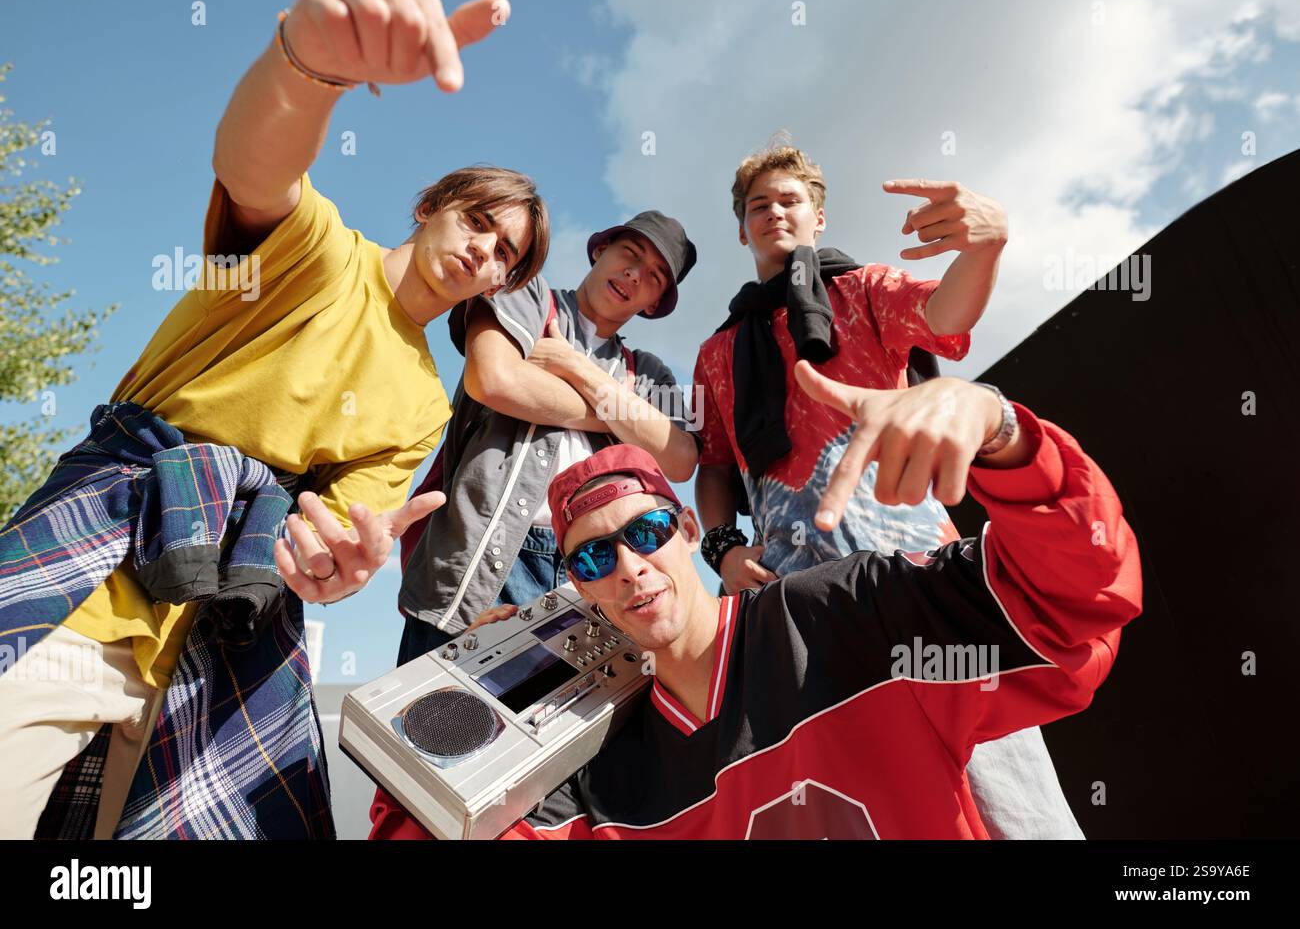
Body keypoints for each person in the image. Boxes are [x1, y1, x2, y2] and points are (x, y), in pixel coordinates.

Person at [0, 0, 547, 840]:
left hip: (219, 646)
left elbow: (324, 538)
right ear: (430, 206)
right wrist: (308, 67)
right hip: (91, 581)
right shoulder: (320, 255)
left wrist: (335, 566)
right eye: (478, 221)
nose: (484, 253)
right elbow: (257, 164)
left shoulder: (420, 406)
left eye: (507, 257)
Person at [369, 364, 1141, 839]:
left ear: (685, 530)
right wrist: (473, 706)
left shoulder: (844, 616)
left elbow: (1069, 604)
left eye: (646, 530)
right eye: (595, 556)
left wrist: (1004, 434)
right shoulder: (600, 772)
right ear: (576, 587)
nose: (629, 566)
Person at [691, 141, 1085, 838]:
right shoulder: (717, 350)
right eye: (758, 206)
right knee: (866, 787)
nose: (774, 213)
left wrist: (986, 249)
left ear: (816, 215)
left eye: (789, 200)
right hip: (799, 597)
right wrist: (722, 549)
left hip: (917, 567)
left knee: (998, 762)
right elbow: (715, 465)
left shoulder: (863, 288)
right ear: (741, 227)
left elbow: (947, 315)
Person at [366, 212, 700, 836]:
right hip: (487, 555)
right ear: (600, 248)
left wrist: (576, 367)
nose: (635, 275)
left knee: (540, 782)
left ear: (657, 302)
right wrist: (621, 415)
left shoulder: (649, 370)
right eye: (629, 253)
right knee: (431, 770)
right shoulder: (527, 293)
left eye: (655, 276)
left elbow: (679, 456)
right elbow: (493, 379)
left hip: (592, 573)